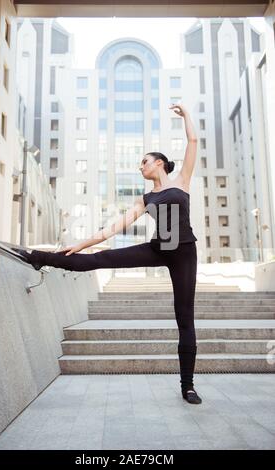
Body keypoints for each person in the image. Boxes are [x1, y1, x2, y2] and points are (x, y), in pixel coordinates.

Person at [13, 104, 202, 405]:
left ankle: (188, 386)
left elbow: (193, 143)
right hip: (158, 249)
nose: (141, 166)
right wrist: (82, 244)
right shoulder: (146, 198)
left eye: (145, 162)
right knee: (99, 260)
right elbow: (112, 229)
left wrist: (186, 116)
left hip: (184, 253)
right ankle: (40, 256)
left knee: (185, 318)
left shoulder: (182, 182)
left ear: (161, 164)